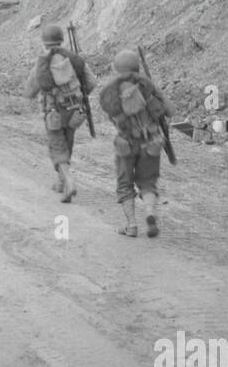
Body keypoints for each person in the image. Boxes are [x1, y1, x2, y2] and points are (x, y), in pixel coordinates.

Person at [99, 50, 174, 237]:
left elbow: (112, 118)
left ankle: (131, 225)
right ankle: (149, 212)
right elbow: (170, 111)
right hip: (151, 141)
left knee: (125, 184)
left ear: (117, 69)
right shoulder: (148, 86)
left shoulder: (111, 92)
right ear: (137, 67)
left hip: (126, 143)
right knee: (148, 182)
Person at [25, 23, 96, 202]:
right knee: (68, 141)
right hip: (75, 110)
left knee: (57, 146)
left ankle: (69, 182)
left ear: (44, 43)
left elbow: (30, 91)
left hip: (54, 111)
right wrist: (79, 95)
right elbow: (91, 82)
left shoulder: (42, 63)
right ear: (62, 40)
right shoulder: (73, 59)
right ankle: (60, 182)